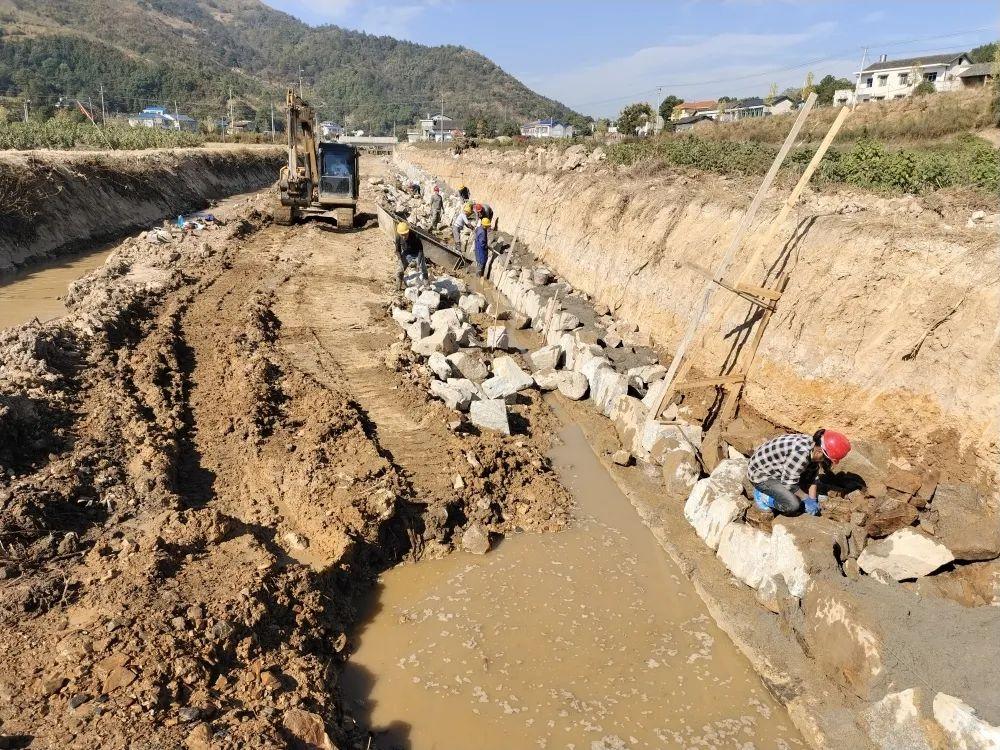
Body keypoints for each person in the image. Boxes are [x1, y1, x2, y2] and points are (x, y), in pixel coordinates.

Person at [746, 429, 851, 515]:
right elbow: (789, 484)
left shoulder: (813, 446)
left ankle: (782, 491)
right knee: (793, 505)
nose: (826, 462)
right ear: (820, 451)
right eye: (826, 458)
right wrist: (806, 499)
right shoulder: (800, 454)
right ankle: (763, 496)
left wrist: (812, 499)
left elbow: (813, 477)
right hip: (761, 474)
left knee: (802, 489)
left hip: (779, 468)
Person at [394, 221, 427, 289]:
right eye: (402, 235)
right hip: (406, 253)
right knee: (399, 269)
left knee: (422, 266)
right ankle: (398, 285)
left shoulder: (415, 236)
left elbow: (420, 250)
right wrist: (400, 259)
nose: (404, 237)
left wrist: (418, 263)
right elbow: (397, 250)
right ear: (399, 233)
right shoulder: (398, 237)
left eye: (405, 234)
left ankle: (426, 281)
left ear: (408, 231)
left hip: (417, 252)